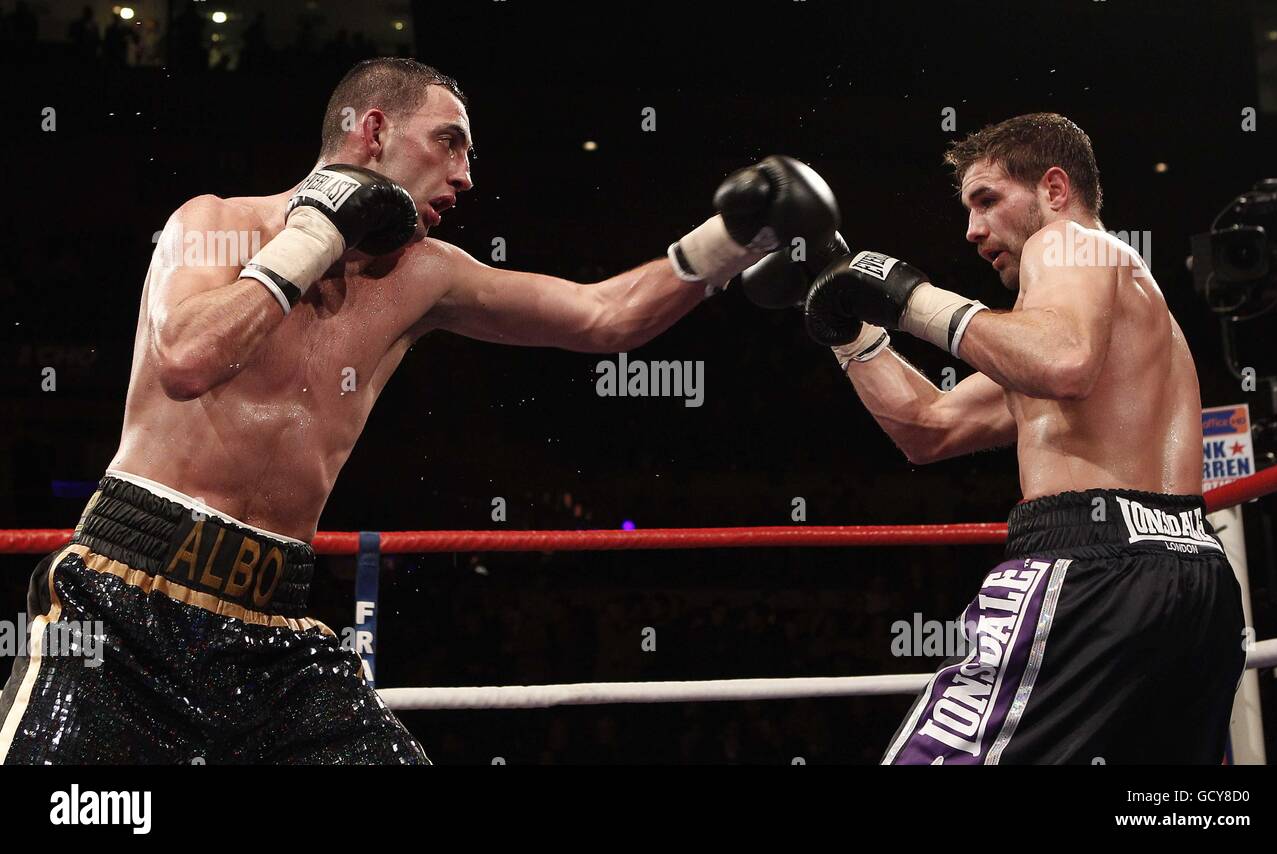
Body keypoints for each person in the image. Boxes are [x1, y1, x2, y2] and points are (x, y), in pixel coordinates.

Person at [0, 57, 838, 764]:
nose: (466, 175)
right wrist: (315, 236)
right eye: (449, 144)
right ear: (372, 131)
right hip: (120, 607)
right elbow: (186, 359)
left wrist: (736, 236)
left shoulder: (427, 274)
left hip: (272, 627)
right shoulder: (217, 224)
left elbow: (603, 316)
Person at [754, 112, 1245, 763]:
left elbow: (1063, 359)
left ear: (1054, 189)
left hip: (1092, 565)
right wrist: (854, 331)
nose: (972, 229)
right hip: (1192, 576)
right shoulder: (1103, 313)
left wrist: (906, 297)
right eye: (967, 209)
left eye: (987, 200)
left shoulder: (1070, 243)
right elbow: (931, 428)